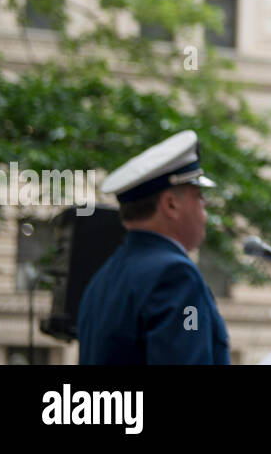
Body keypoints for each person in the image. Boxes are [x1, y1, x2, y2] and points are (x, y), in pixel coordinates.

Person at [78, 130, 229, 364]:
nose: (204, 204)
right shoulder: (176, 276)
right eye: (198, 195)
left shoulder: (104, 276)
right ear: (171, 204)